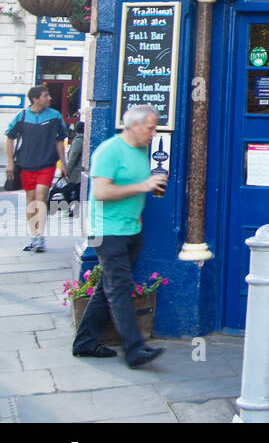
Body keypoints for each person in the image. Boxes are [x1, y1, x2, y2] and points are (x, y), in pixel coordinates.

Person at [72, 105, 167, 367]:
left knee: (108, 288)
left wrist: (137, 217)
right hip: (107, 232)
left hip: (131, 232)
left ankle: (85, 343)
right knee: (120, 289)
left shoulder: (141, 150)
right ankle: (135, 351)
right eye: (150, 128)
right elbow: (101, 192)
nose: (153, 133)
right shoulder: (109, 151)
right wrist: (144, 185)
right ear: (135, 126)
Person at [5, 85, 69, 253]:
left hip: (47, 164)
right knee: (31, 199)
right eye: (45, 95)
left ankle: (39, 236)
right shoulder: (22, 116)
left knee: (41, 197)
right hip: (26, 164)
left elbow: (60, 140)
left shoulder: (55, 116)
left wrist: (63, 163)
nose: (49, 98)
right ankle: (34, 235)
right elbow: (9, 138)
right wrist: (10, 161)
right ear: (36, 99)